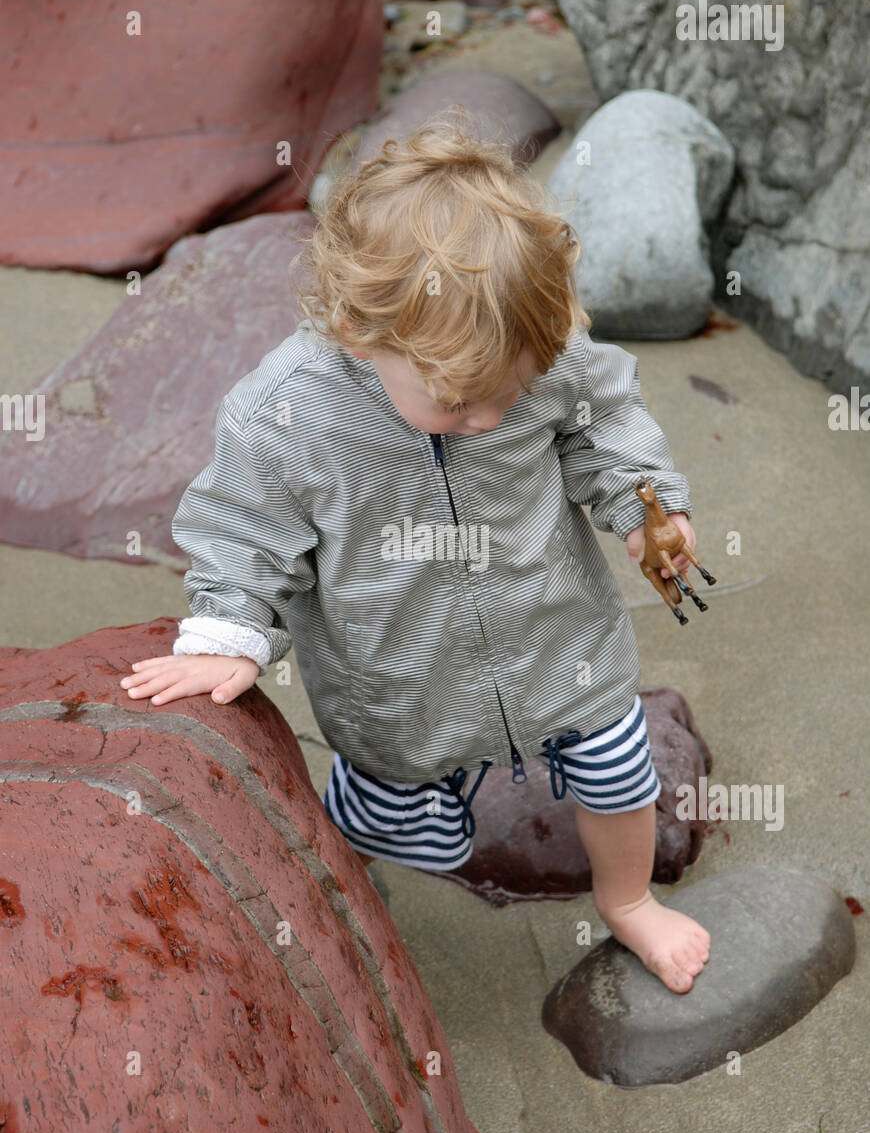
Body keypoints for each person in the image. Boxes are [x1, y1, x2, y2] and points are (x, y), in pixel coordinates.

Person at [119, 110, 710, 994]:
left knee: (621, 776)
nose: (488, 420)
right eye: (460, 403)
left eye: (507, 398)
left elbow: (606, 422)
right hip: (395, 678)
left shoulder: (538, 352)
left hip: (559, 642)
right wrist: (227, 633)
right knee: (385, 823)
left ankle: (626, 902)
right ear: (365, 334)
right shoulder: (285, 411)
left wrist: (640, 505)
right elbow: (245, 530)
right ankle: (350, 903)